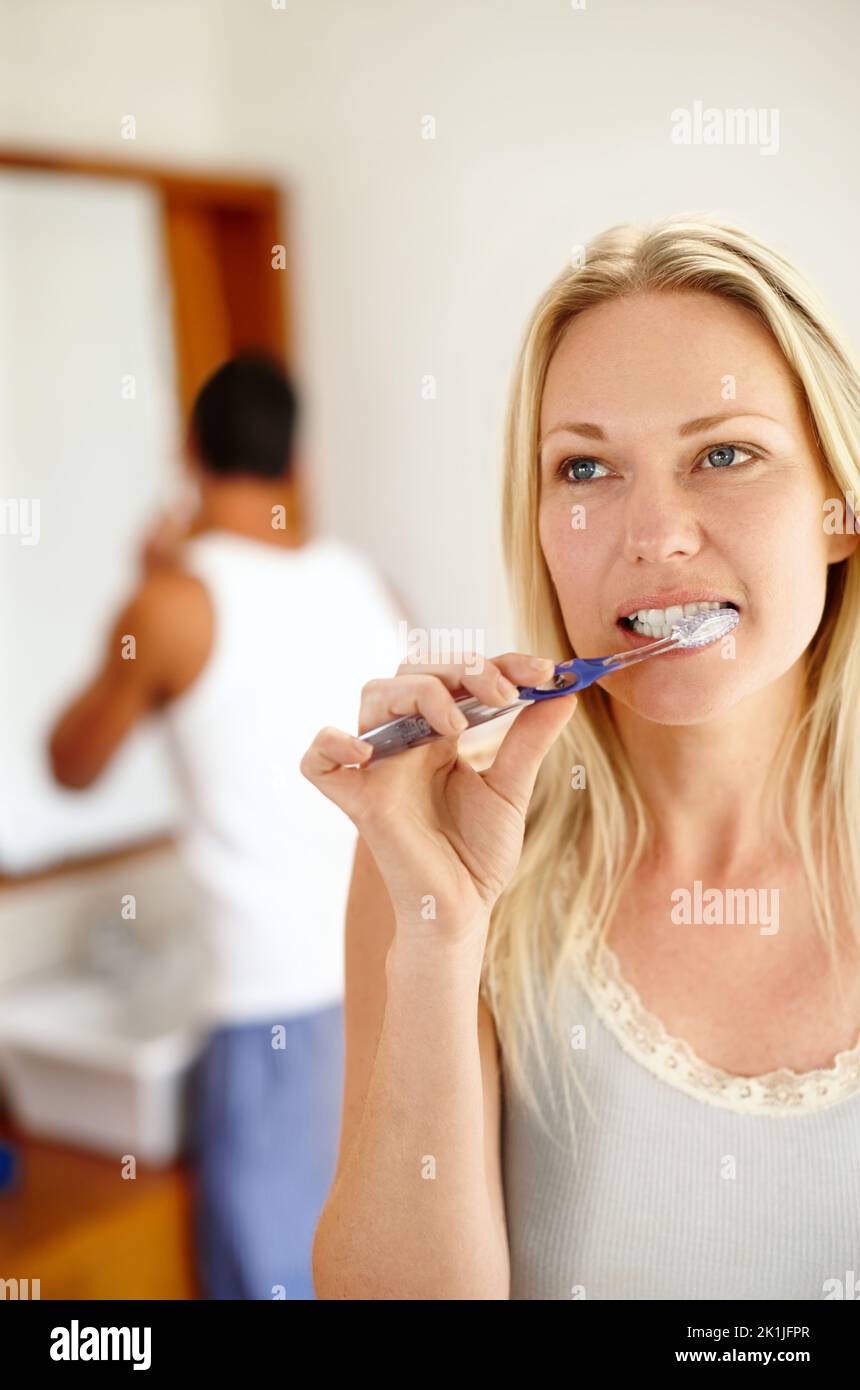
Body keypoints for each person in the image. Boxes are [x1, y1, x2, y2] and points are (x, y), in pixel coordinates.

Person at [300, 214, 860, 1300]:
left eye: (725, 452)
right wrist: (437, 935)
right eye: (587, 465)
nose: (650, 534)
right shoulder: (432, 861)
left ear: (837, 506)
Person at [49, 351, 403, 1299]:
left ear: (188, 452)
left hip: (267, 1006)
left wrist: (143, 592)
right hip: (386, 983)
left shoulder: (173, 604)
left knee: (269, 1282)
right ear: (298, 456)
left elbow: (69, 764)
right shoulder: (366, 587)